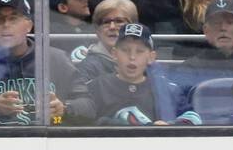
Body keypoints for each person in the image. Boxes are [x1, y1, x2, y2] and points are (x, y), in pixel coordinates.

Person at [69, 24, 200, 126]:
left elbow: (194, 119)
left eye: (140, 51)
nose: (132, 57)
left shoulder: (168, 89)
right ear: (114, 54)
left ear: (151, 57)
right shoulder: (95, 87)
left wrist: (171, 126)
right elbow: (74, 121)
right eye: (125, 50)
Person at [69, 0, 137, 82]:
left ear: (134, 27)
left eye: (119, 21)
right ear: (97, 30)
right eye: (106, 22)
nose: (112, 27)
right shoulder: (88, 68)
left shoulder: (145, 63)